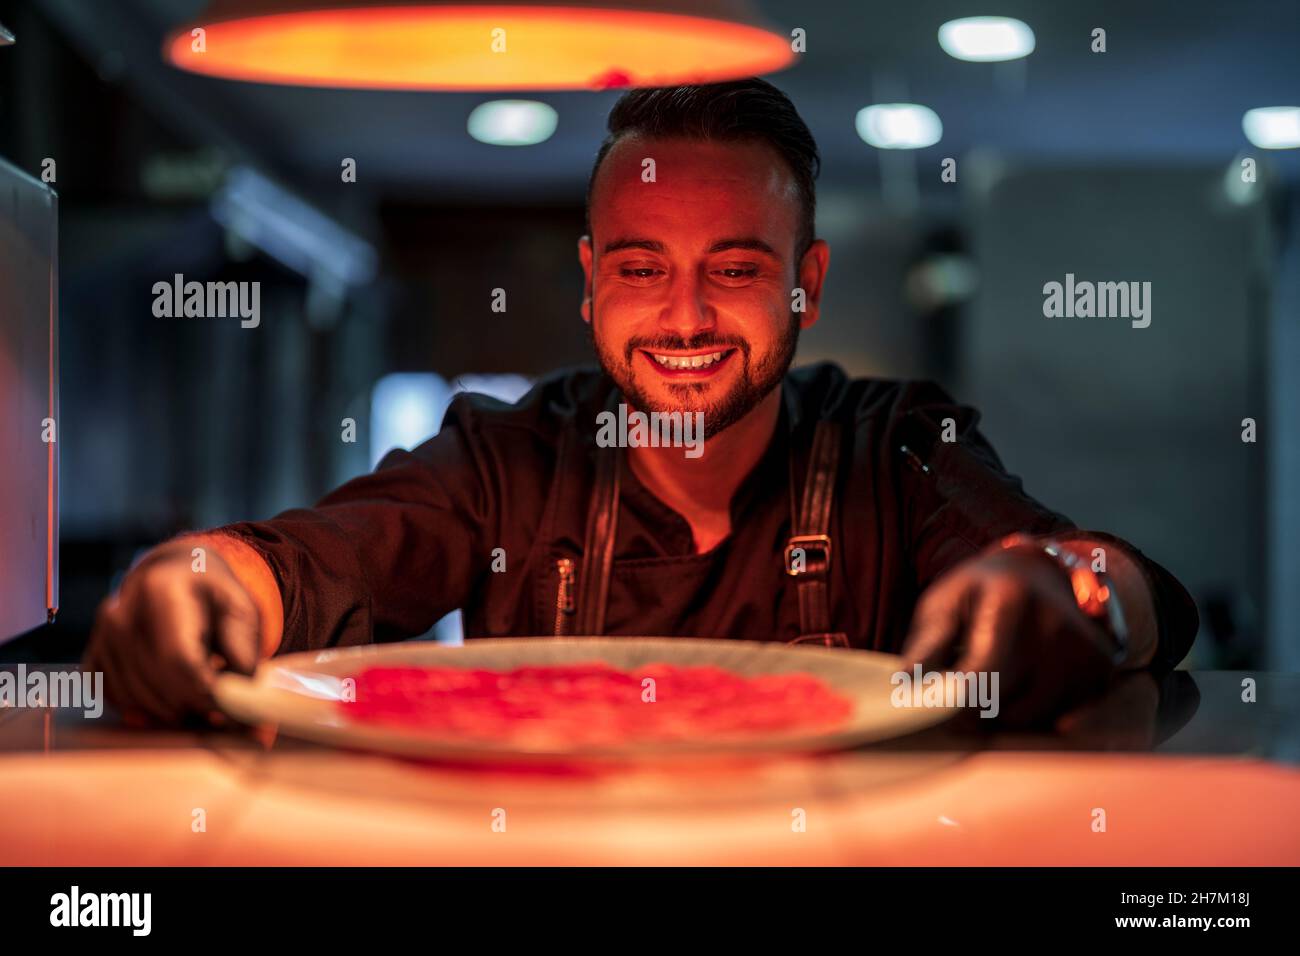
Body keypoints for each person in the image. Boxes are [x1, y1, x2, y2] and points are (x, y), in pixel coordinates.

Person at [84, 78, 1197, 729]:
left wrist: (1072, 597)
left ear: (804, 283)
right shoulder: (505, 456)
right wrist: (193, 581)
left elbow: (1110, 584)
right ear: (587, 279)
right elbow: (312, 560)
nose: (683, 317)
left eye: (734, 267)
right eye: (638, 266)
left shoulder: (892, 443)